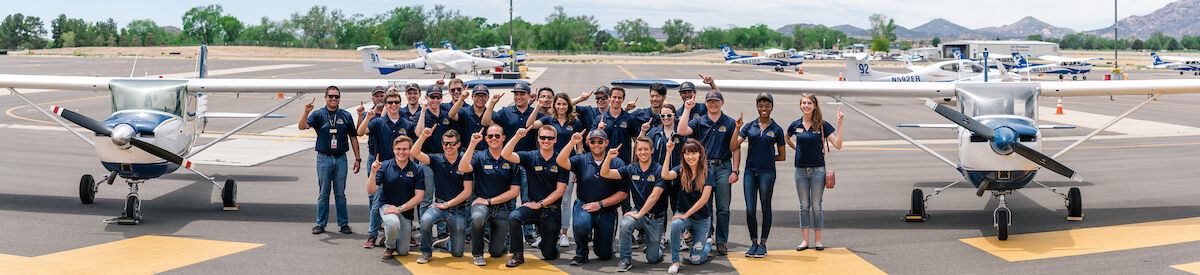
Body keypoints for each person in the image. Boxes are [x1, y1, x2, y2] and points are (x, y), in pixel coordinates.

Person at [676, 86, 740, 256]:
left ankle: (721, 240)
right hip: (703, 168)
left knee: (723, 207)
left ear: (722, 103)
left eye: (716, 101)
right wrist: (687, 109)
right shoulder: (699, 121)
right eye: (710, 102)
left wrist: (736, 170)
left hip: (723, 167)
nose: (713, 104)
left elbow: (736, 148)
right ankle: (707, 236)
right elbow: (681, 131)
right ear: (705, 104)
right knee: (705, 204)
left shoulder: (730, 122)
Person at [556, 130, 628, 265]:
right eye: (593, 141)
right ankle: (581, 253)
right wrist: (572, 142)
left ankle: (602, 242)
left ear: (606, 143)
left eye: (600, 142)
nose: (596, 145)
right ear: (588, 143)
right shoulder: (581, 159)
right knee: (582, 225)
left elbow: (623, 194)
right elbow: (560, 161)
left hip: (607, 210)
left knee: (604, 255)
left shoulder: (617, 162)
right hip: (585, 205)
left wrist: (600, 204)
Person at [500, 126, 569, 267]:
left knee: (549, 254)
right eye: (543, 137)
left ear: (555, 140)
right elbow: (505, 155)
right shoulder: (530, 156)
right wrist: (517, 137)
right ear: (538, 139)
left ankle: (548, 241)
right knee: (514, 217)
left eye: (550, 138)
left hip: (551, 209)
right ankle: (517, 255)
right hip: (533, 207)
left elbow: (560, 191)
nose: (546, 141)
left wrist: (541, 204)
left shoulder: (561, 160)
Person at [730, 92, 786, 258]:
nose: (764, 108)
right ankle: (753, 242)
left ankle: (763, 243)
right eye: (761, 105)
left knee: (765, 207)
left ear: (771, 107)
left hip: (767, 173)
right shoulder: (749, 126)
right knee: (749, 210)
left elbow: (782, 156)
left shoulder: (776, 129)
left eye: (767, 106)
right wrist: (737, 128)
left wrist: (767, 159)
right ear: (757, 107)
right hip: (750, 172)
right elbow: (733, 146)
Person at [785, 94, 844, 252]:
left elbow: (838, 144)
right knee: (804, 206)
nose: (806, 105)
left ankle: (818, 241)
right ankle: (805, 241)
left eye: (809, 103)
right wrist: (795, 148)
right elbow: (787, 137)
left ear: (815, 105)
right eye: (803, 103)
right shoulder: (795, 124)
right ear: (800, 105)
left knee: (816, 206)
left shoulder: (822, 125)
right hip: (800, 171)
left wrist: (839, 124)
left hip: (818, 170)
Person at [299, 86, 361, 235]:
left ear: (340, 98)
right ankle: (321, 223)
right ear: (325, 97)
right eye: (331, 96)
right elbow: (302, 127)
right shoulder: (318, 114)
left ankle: (343, 224)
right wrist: (306, 111)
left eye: (336, 97)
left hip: (341, 159)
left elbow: (353, 137)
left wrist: (358, 158)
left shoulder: (345, 115)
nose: (334, 99)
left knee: (340, 193)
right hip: (324, 159)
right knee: (323, 193)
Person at [600, 137, 667, 272]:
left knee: (653, 259)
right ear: (635, 151)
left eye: (646, 149)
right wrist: (608, 157)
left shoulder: (659, 170)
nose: (643, 152)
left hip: (656, 218)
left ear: (652, 150)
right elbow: (605, 173)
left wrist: (639, 214)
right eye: (640, 149)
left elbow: (654, 196)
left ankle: (656, 246)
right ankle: (625, 259)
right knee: (625, 224)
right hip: (639, 213)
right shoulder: (630, 169)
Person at [357, 90, 415, 244]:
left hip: (402, 168)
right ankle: (372, 234)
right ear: (386, 104)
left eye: (396, 102)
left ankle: (408, 234)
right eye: (390, 102)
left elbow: (411, 148)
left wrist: (412, 166)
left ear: (400, 104)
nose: (393, 105)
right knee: (377, 201)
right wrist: (366, 117)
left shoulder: (407, 124)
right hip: (382, 168)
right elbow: (360, 132)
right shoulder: (378, 122)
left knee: (405, 201)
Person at [458, 124, 521, 266]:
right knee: (477, 217)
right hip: (481, 205)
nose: (494, 138)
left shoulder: (512, 159)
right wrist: (472, 144)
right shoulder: (479, 156)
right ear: (486, 139)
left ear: (503, 138)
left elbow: (514, 192)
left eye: (497, 136)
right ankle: (478, 254)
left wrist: (489, 201)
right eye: (490, 136)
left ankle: (497, 243)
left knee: (496, 252)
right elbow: (462, 168)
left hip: (502, 207)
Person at [412, 128, 473, 263]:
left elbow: (467, 191)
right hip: (439, 206)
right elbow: (414, 153)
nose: (448, 147)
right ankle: (426, 252)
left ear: (458, 144)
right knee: (425, 221)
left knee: (457, 253)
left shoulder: (465, 163)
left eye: (452, 143)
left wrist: (448, 204)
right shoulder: (436, 160)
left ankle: (447, 243)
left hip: (458, 209)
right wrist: (423, 137)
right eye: (445, 143)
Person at [661, 140, 714, 274]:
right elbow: (665, 175)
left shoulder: (708, 172)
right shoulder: (680, 170)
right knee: (676, 224)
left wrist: (685, 215)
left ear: (700, 154)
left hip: (702, 219)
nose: (690, 157)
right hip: (684, 216)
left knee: (696, 260)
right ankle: (675, 261)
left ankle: (707, 243)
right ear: (683, 155)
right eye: (687, 153)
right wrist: (668, 153)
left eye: (694, 153)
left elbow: (704, 200)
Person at [368, 136, 426, 259]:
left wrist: (399, 208)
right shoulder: (384, 166)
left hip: (405, 211)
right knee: (393, 223)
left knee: (403, 251)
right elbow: (371, 190)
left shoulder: (417, 169)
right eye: (398, 149)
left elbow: (419, 197)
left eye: (405, 149)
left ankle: (389, 236)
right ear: (393, 150)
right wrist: (373, 173)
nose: (401, 152)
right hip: (387, 206)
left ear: (410, 150)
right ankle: (389, 246)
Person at [594, 86, 645, 164]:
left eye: (619, 98)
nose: (616, 100)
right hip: (603, 163)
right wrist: (599, 130)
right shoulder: (599, 118)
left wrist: (635, 162)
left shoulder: (629, 118)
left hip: (624, 164)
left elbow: (637, 142)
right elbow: (589, 140)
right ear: (609, 97)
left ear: (623, 99)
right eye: (614, 97)